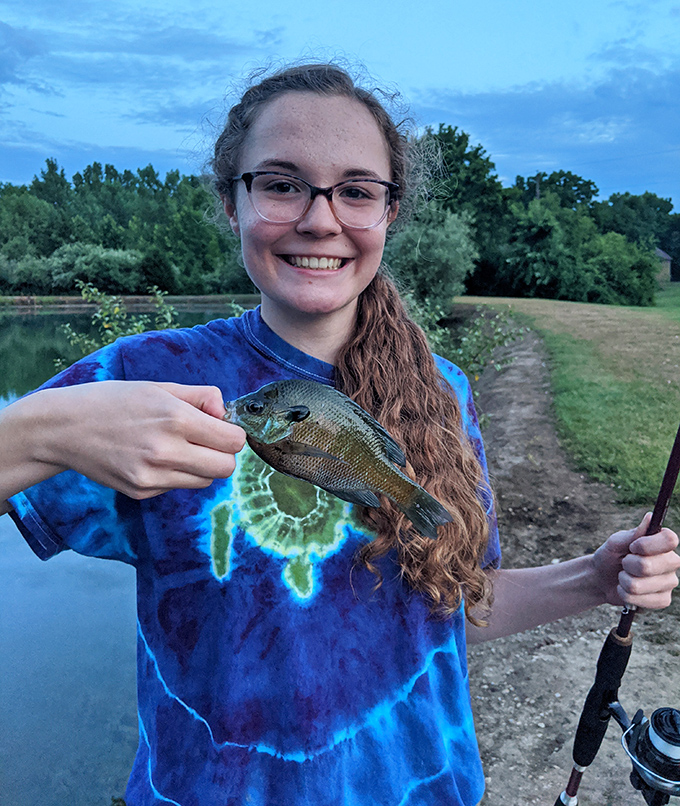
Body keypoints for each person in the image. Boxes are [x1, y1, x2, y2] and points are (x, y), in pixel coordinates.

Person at [0, 63, 678, 806]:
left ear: (390, 212)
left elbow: (448, 609)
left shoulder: (444, 389)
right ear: (232, 202)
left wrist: (592, 579)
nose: (320, 218)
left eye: (356, 190)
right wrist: (37, 428)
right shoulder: (142, 373)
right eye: (282, 183)